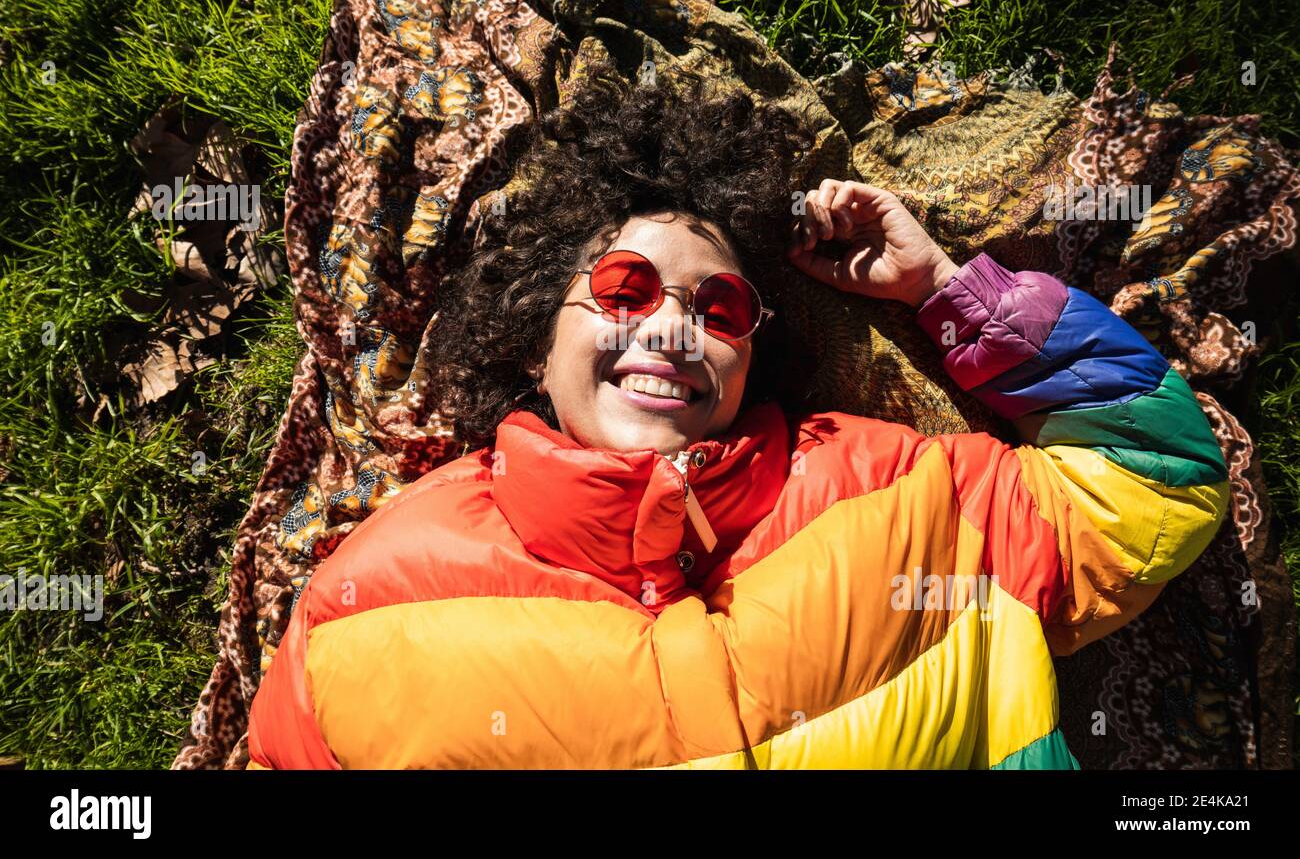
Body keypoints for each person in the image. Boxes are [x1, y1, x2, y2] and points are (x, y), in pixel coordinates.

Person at [245, 64, 1230, 769]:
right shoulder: (362, 612)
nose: (672, 327)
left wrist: (942, 289)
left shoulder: (914, 492)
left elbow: (1153, 483)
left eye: (717, 308)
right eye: (625, 287)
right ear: (534, 340)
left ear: (754, 350)